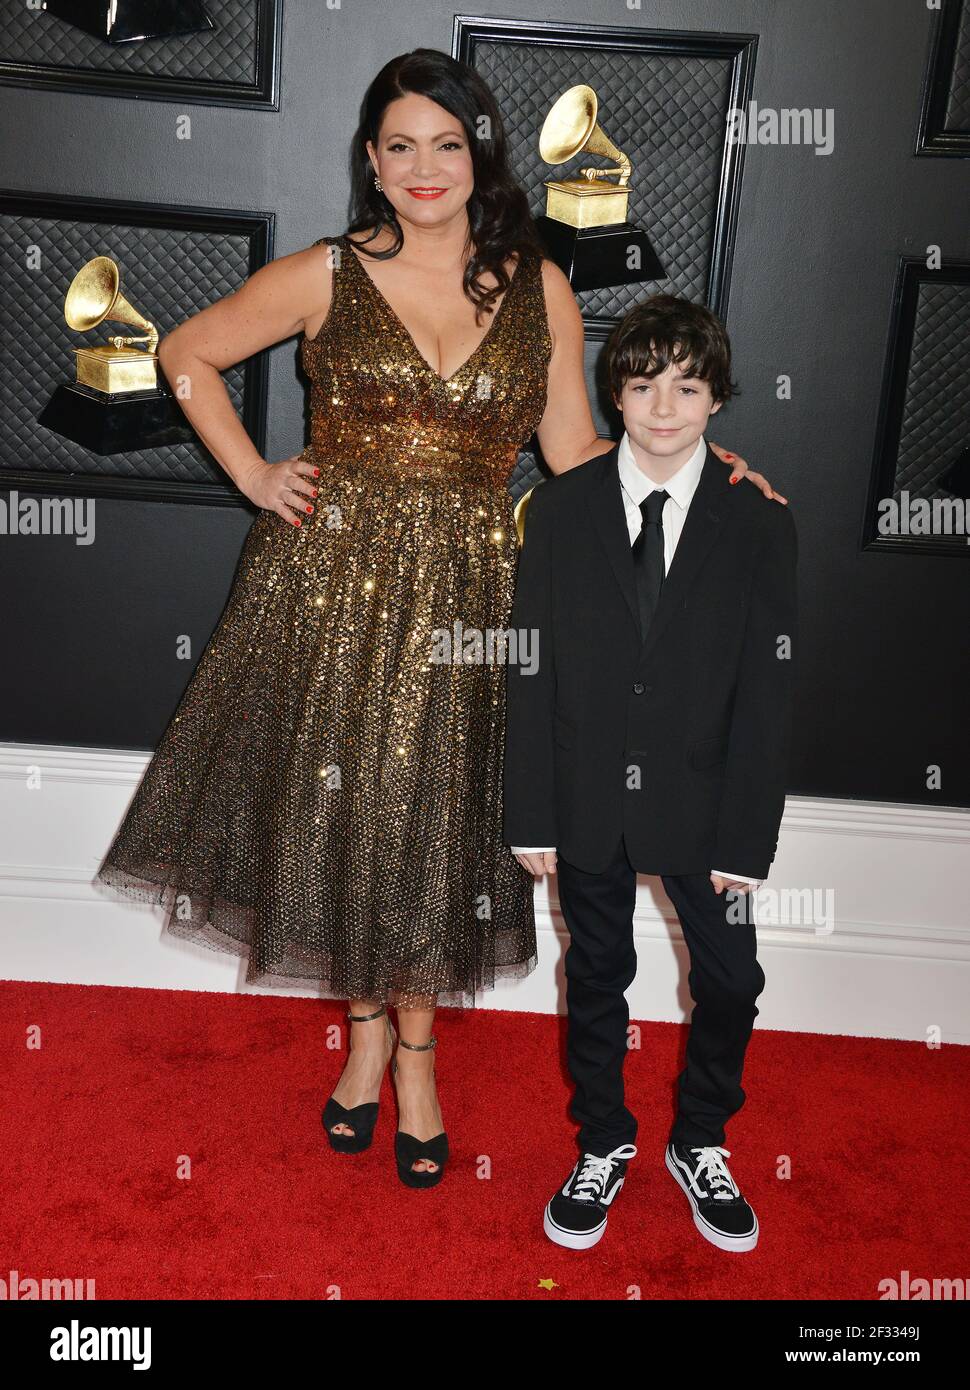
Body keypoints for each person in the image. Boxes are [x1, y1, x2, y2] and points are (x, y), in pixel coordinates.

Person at [95, 48, 782, 1191]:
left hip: (477, 593)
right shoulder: (325, 272)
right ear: (371, 161)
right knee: (348, 813)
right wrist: (257, 476)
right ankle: (369, 1039)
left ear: (481, 159)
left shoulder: (540, 287)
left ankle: (413, 1053)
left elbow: (571, 458)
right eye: (400, 147)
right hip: (326, 587)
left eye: (447, 145)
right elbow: (185, 354)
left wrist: (695, 468)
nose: (425, 169)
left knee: (430, 828)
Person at [504, 293, 797, 1250]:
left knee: (734, 979)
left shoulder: (760, 523)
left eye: (687, 384)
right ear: (615, 396)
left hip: (707, 801)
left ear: (717, 397)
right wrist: (531, 811)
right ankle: (603, 1139)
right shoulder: (556, 510)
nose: (664, 406)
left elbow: (768, 690)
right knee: (598, 973)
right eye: (641, 384)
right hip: (584, 791)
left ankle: (701, 1137)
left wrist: (749, 839)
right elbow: (528, 663)